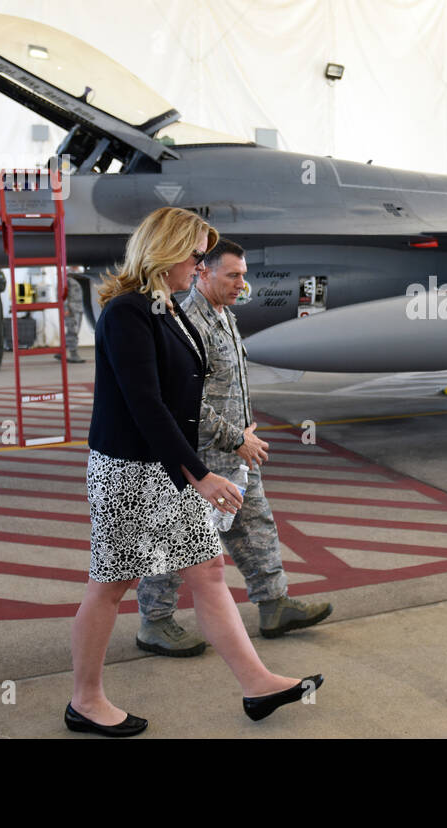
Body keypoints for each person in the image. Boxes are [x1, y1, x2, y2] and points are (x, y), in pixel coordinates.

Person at [68, 206, 322, 737]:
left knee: (206, 571)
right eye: (194, 254)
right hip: (129, 472)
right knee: (111, 586)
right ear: (165, 251)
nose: (198, 264)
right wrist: (201, 473)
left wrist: (198, 465)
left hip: (167, 468)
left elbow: (186, 398)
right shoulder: (127, 313)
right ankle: (85, 701)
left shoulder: (168, 310)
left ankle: (257, 684)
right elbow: (148, 404)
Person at [136, 239, 332, 656]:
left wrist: (242, 434)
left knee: (256, 526)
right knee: (176, 539)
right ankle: (154, 622)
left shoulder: (223, 315)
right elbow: (184, 401)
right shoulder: (189, 322)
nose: (242, 284)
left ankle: (274, 605)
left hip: (236, 451)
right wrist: (234, 436)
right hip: (198, 458)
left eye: (244, 275)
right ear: (203, 271)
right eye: (233, 275)